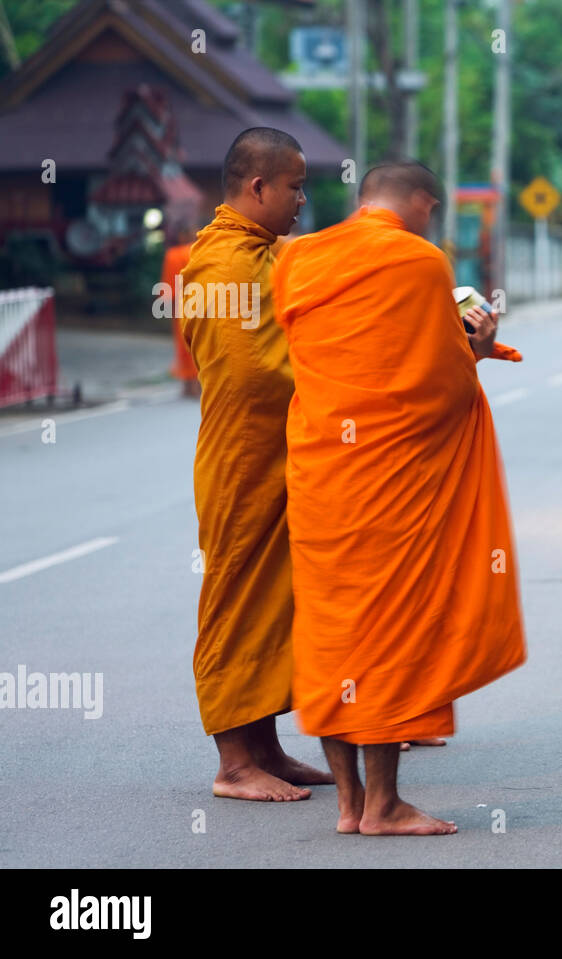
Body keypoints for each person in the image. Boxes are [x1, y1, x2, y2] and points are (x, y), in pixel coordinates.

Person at [273, 160, 527, 836]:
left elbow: (325, 356)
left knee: (332, 632)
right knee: (386, 630)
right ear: (420, 201)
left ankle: (350, 804)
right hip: (391, 482)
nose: (431, 221)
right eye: (431, 209)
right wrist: (475, 351)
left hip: (321, 470)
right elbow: (435, 385)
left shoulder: (298, 259)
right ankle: (383, 804)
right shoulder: (419, 263)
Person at [180, 127, 332, 801]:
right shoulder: (221, 265)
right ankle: (234, 763)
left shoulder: (264, 254)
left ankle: (266, 746)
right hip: (244, 457)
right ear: (258, 186)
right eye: (295, 186)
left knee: (278, 603)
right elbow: (253, 376)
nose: (303, 199)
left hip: (282, 457)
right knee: (239, 600)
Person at [160, 223, 199, 397]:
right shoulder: (202, 250)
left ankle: (188, 387)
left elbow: (169, 287)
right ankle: (199, 386)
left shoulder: (173, 255)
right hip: (205, 304)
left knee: (184, 346)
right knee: (201, 344)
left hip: (182, 306)